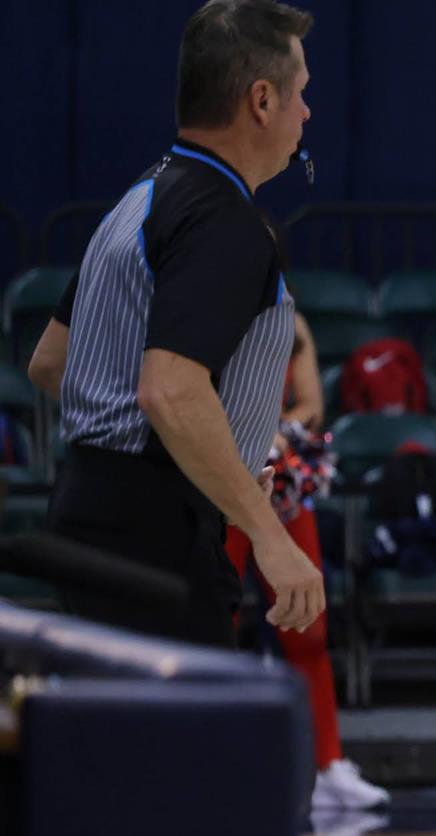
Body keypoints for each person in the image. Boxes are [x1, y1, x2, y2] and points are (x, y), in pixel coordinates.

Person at [28, 0, 322, 646]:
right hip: (156, 534)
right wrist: (268, 533)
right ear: (262, 100)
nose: (306, 112)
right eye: (301, 92)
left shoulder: (141, 196)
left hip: (90, 512)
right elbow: (169, 390)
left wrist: (219, 460)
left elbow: (52, 361)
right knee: (188, 712)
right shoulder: (224, 220)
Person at [224, 309, 388, 810]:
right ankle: (213, 758)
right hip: (219, 476)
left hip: (280, 483)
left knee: (309, 627)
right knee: (215, 623)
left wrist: (275, 431)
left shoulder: (291, 320)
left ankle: (328, 764)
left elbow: (312, 405)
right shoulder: (201, 304)